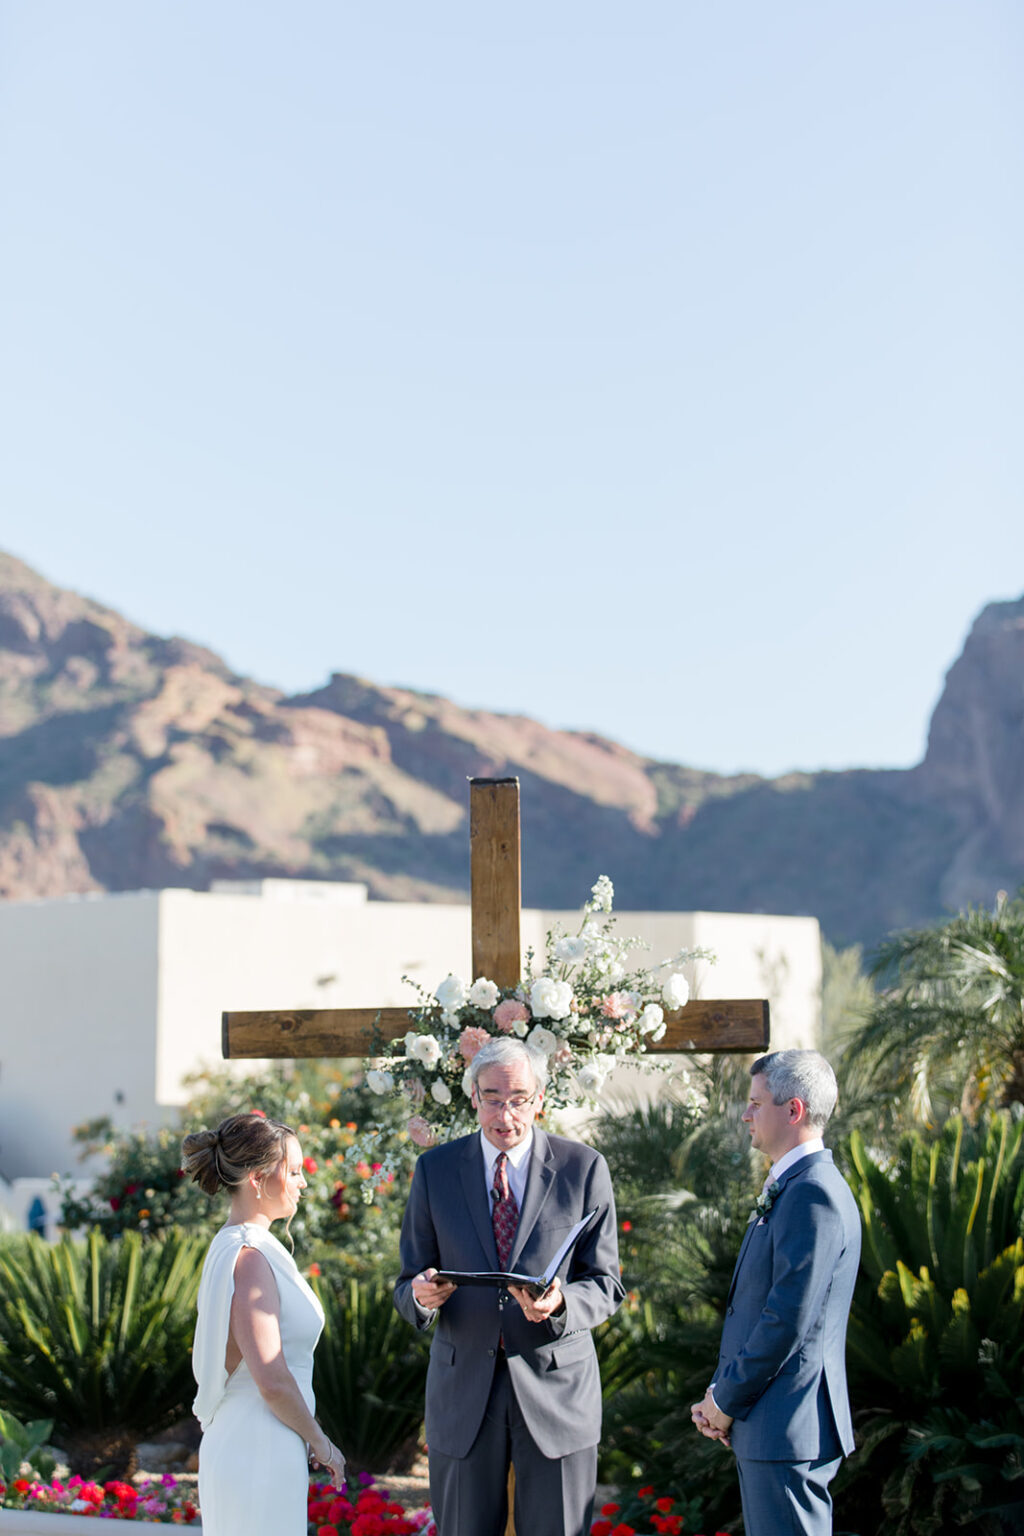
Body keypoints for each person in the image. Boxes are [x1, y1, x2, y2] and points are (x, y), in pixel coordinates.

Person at [394, 1037, 624, 1536]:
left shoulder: (583, 1169)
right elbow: (407, 1280)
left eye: (518, 1098)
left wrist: (562, 1303)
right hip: (463, 1396)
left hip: (557, 1390)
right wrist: (419, 1296)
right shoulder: (434, 1171)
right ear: (473, 1097)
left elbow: (606, 1284)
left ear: (540, 1098)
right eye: (493, 1097)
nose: (506, 1112)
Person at [690, 1049, 861, 1536]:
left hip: (787, 1427)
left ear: (794, 1111)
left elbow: (787, 1319)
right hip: (773, 1425)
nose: (745, 1114)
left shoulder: (813, 1194)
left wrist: (726, 1400)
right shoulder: (797, 1186)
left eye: (755, 1102)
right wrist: (722, 1395)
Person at [181, 1112, 345, 1535]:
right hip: (257, 1446)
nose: (302, 1183)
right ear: (257, 1179)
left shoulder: (238, 1245)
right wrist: (322, 1444)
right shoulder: (250, 1257)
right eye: (293, 1172)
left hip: (258, 1440)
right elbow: (271, 1376)